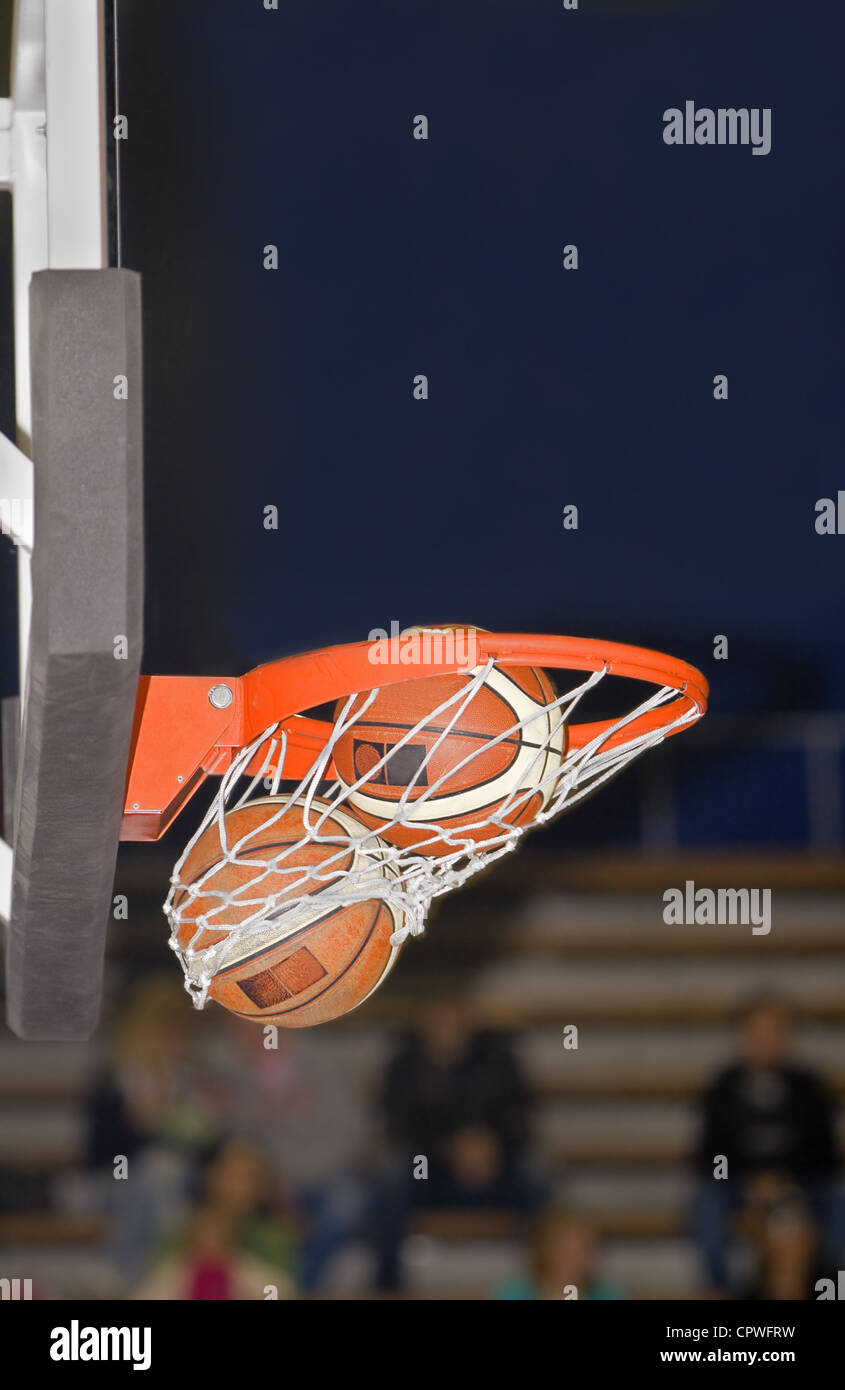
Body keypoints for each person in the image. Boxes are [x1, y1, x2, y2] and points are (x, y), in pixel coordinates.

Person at [370, 995, 545, 1291]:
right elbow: (397, 1128)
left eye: (453, 1014)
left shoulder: (500, 1060)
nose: (446, 1025)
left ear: (468, 1018)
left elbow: (522, 1119)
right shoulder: (403, 1066)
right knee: (390, 1184)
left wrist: (492, 1146)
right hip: (428, 1169)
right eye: (439, 1016)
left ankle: (543, 1285)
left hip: (496, 1168)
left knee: (543, 1184)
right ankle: (388, 1288)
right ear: (423, 1021)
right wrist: (450, 1150)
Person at [689, 994, 842, 1298]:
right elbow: (709, 1155)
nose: (765, 1041)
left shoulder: (808, 1085)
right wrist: (748, 1183)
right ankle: (719, 1289)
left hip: (803, 1184)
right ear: (743, 1037)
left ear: (787, 1037)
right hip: (736, 1187)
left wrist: (786, 1181)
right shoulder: (723, 1086)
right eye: (757, 1032)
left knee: (839, 1206)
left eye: (774, 1032)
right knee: (706, 1205)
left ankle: (837, 1283)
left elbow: (826, 1153)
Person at [494, 1209, 624, 1300]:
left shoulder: (608, 1295)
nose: (573, 1259)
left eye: (583, 1249)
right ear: (546, 1249)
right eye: (565, 1249)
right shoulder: (513, 1294)